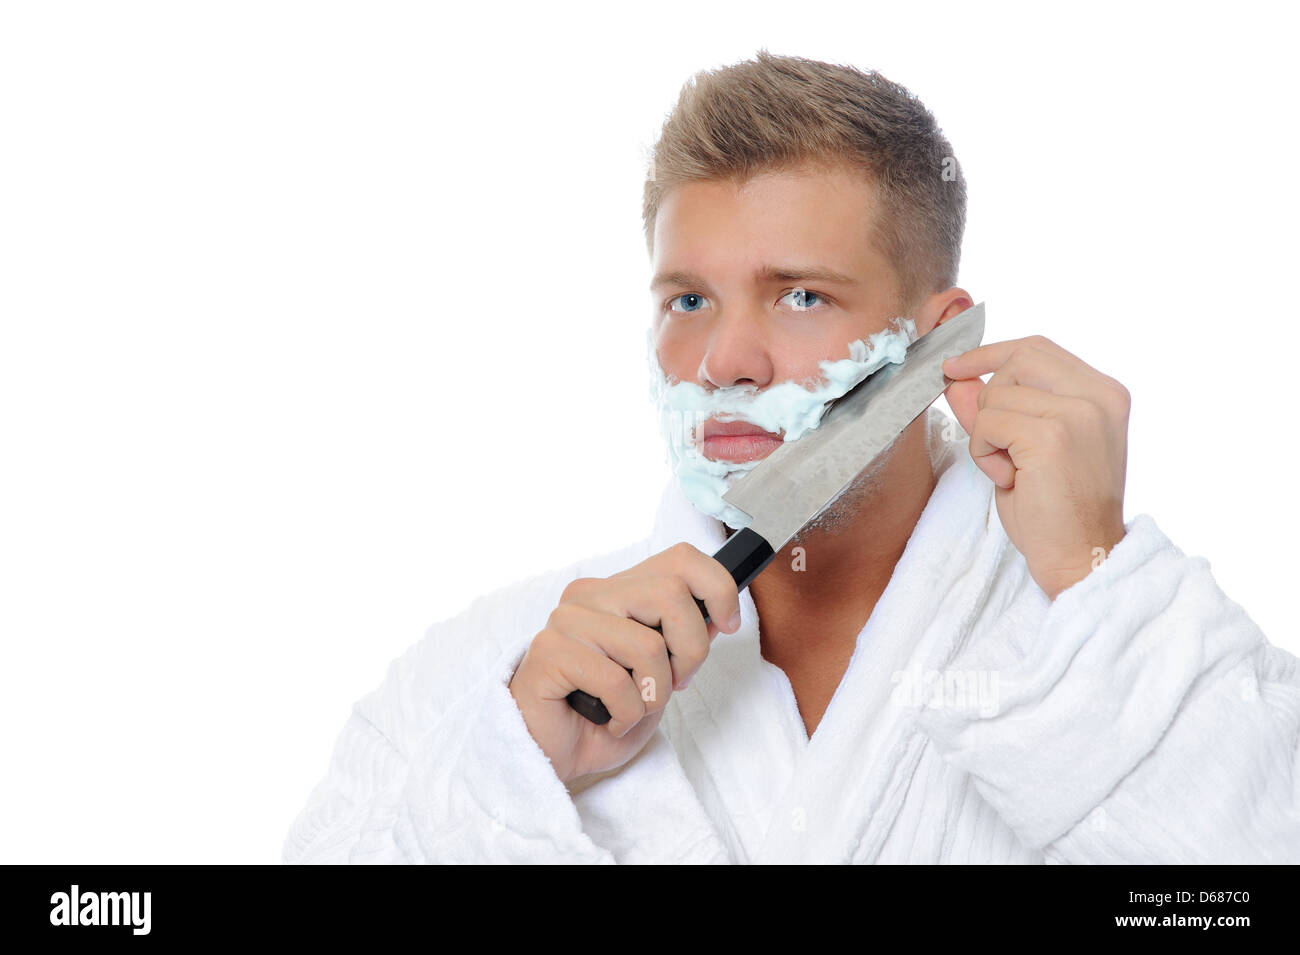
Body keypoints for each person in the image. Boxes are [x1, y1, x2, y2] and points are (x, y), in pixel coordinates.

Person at [281, 50, 1300, 864]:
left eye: (799, 294)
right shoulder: (497, 682)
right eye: (687, 300)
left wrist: (1094, 587)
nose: (723, 359)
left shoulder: (1114, 651)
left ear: (936, 338)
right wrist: (510, 782)